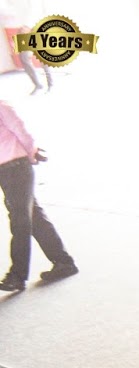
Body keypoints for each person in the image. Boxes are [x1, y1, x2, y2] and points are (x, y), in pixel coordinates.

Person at [0, 100, 76, 292]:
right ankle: (63, 262)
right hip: (6, 169)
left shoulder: (2, 106)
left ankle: (17, 276)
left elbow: (22, 131)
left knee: (20, 220)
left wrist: (32, 153)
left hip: (16, 167)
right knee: (33, 217)